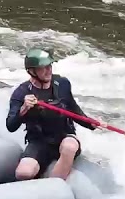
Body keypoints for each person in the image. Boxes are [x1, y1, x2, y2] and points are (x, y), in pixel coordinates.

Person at [6, 47, 92, 181]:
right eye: (43, 68)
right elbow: (10, 126)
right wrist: (24, 108)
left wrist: (92, 124)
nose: (49, 70)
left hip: (64, 136)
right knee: (24, 172)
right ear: (32, 71)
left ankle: (55, 186)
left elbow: (74, 110)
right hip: (39, 141)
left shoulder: (62, 84)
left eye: (49, 66)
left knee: (70, 146)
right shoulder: (21, 93)